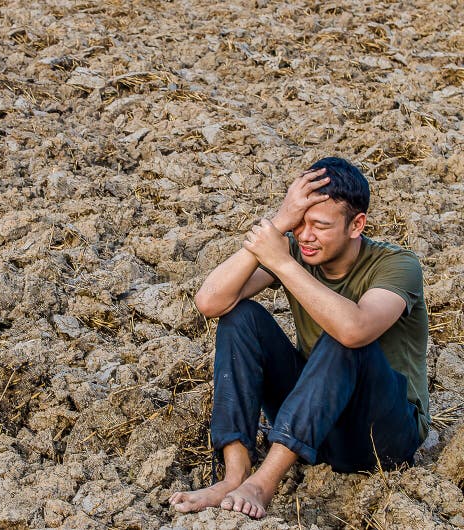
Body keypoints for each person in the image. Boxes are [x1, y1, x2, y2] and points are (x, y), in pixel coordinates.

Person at [168, 157, 429, 519]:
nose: (305, 236)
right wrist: (276, 226)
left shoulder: (397, 265)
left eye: (320, 226)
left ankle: (264, 482)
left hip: (380, 437)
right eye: (300, 223)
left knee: (345, 336)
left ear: (357, 225)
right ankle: (235, 474)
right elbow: (210, 301)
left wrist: (285, 264)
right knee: (239, 316)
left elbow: (355, 329)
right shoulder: (293, 247)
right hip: (315, 423)